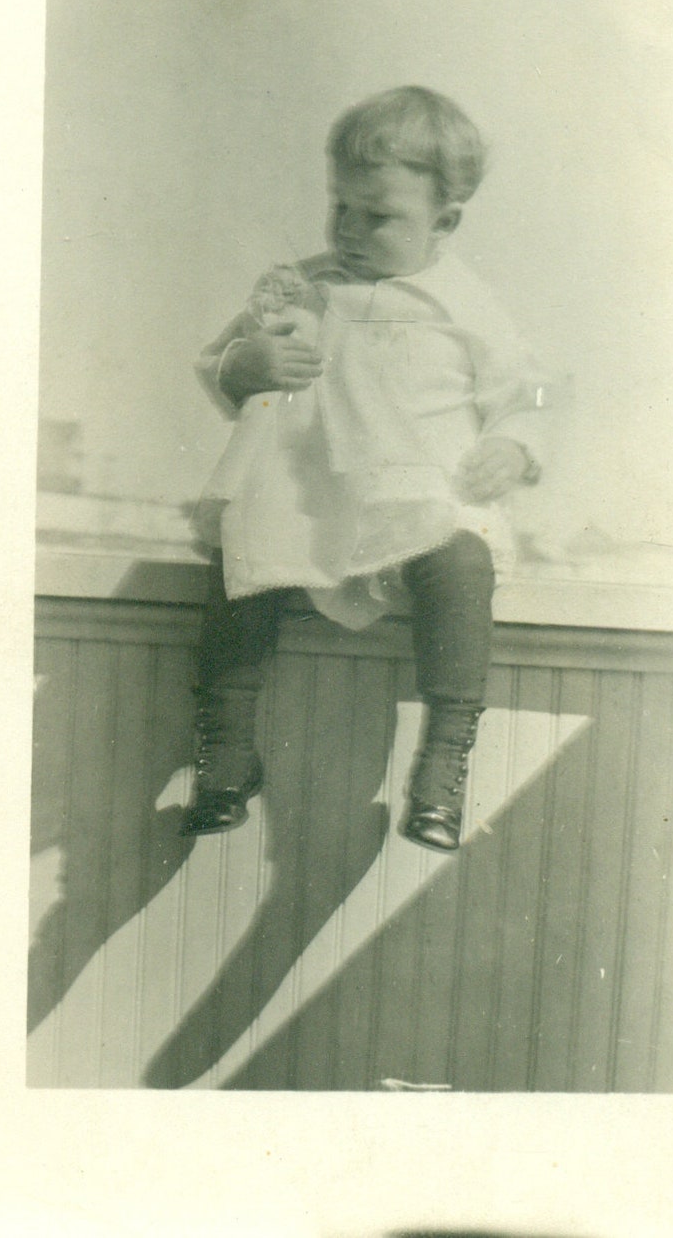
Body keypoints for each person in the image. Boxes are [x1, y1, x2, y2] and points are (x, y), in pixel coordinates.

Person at [184, 86, 548, 852]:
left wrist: (514, 446)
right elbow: (221, 364)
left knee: (460, 564)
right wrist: (249, 362)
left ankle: (446, 755)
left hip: (419, 502)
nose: (349, 229)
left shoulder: (466, 303)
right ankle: (225, 746)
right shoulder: (302, 284)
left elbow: (527, 390)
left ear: (444, 222)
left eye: (377, 216)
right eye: (340, 208)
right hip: (311, 498)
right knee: (238, 557)